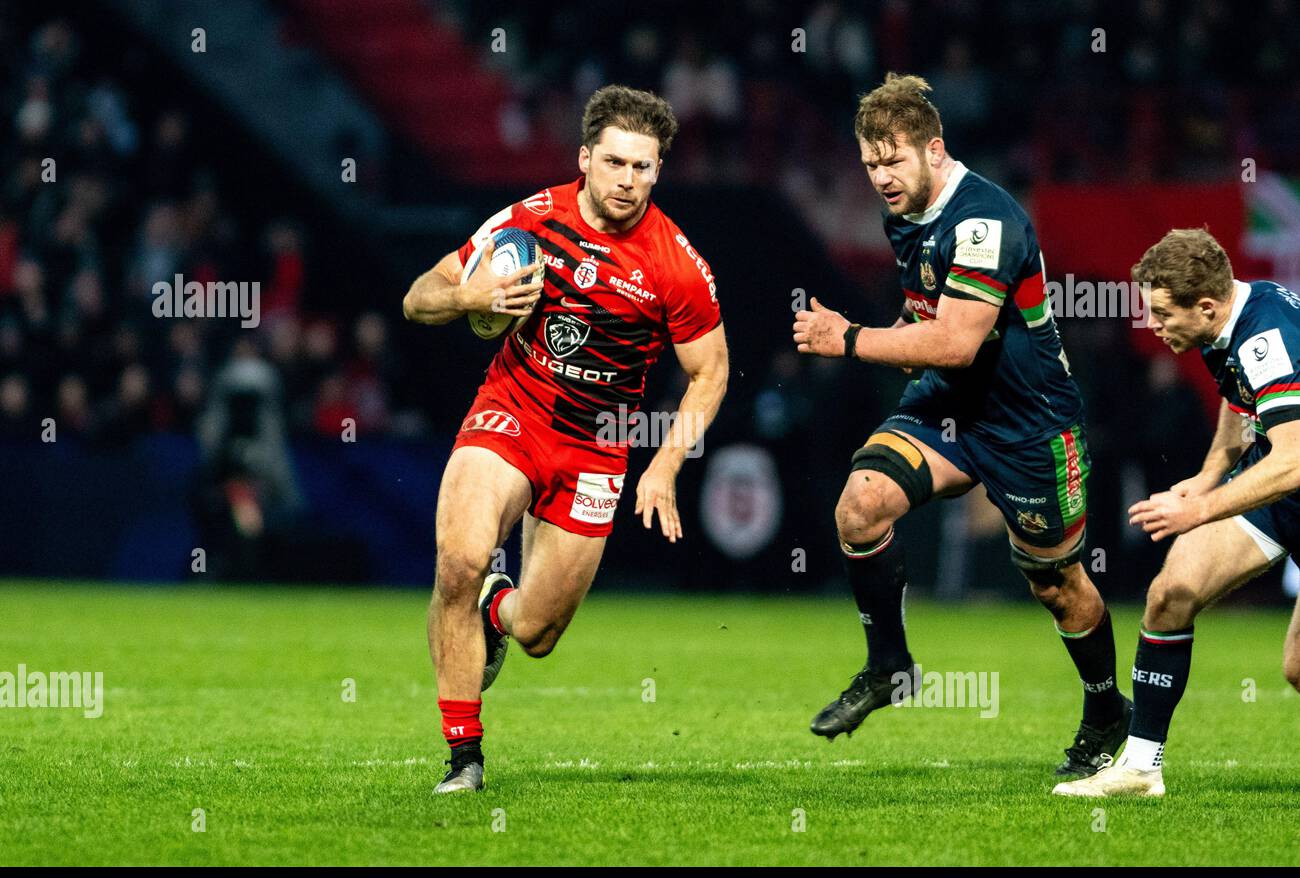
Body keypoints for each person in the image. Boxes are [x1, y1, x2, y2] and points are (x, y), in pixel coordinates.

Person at [791, 74, 1127, 778]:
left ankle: (1106, 709)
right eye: (870, 163)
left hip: (1030, 422)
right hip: (951, 404)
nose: (881, 176)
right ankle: (889, 667)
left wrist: (848, 337)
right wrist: (882, 336)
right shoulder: (907, 211)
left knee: (1054, 583)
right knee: (860, 506)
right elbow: (927, 325)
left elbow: (955, 341)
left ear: (934, 150)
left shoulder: (984, 221)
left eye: (894, 160)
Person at [402, 86, 729, 793]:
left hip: (595, 448)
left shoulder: (675, 264)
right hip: (510, 413)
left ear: (659, 172)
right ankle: (465, 758)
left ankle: (498, 606)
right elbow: (419, 294)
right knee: (456, 561)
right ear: (584, 158)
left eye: (644, 167)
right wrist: (468, 298)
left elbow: (711, 374)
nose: (627, 180)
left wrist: (667, 464)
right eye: (614, 162)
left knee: (535, 635)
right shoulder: (530, 221)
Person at [1056, 227, 1300, 798]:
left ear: (1207, 306)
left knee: (1296, 669)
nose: (1154, 326)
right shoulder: (1233, 322)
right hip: (1287, 498)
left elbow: (1293, 459)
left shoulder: (1267, 334)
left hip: (1290, 476)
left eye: (1163, 314)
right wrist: (1206, 479)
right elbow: (1242, 403)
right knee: (1172, 592)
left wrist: (1205, 509)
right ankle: (1141, 769)